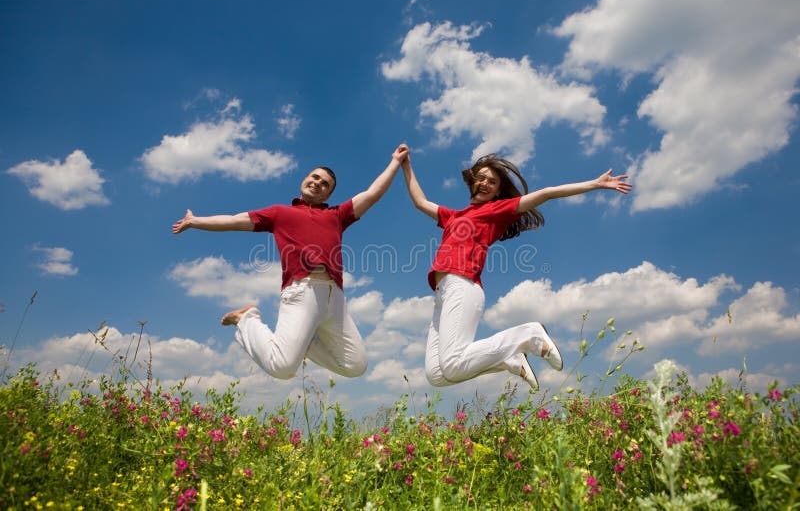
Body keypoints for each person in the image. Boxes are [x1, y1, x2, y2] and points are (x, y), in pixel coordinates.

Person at [172, 144, 410, 380]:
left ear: (328, 195)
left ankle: (305, 342)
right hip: (302, 292)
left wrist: (395, 162)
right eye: (314, 177)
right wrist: (195, 221)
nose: (317, 183)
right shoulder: (279, 213)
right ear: (305, 179)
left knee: (356, 364)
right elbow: (234, 220)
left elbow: (372, 194)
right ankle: (246, 319)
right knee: (283, 368)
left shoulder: (337, 216)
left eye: (325, 184)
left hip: (335, 297)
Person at [400, 152, 631, 389]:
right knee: (437, 375)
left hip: (463, 284)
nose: (485, 184)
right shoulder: (453, 216)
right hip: (442, 293)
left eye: (492, 182)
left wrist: (595, 184)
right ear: (472, 181)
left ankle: (528, 334)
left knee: (451, 365)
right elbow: (420, 202)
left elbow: (547, 193)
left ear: (498, 191)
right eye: (481, 178)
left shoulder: (497, 210)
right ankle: (509, 359)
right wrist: (405, 165)